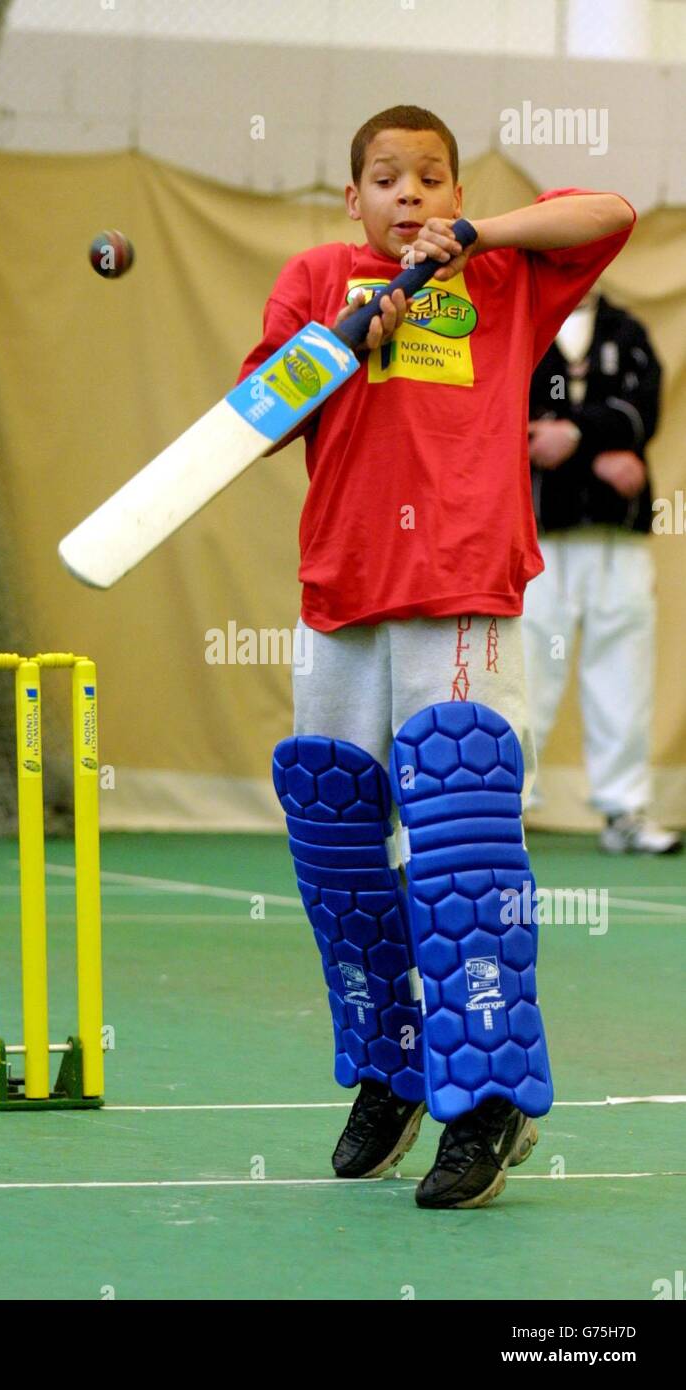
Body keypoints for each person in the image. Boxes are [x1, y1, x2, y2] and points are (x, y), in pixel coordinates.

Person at [237, 104, 634, 1209]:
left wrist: (480, 238)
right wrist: (338, 347)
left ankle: (487, 1097)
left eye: (429, 177)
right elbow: (257, 419)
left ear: (456, 194)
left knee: (459, 838)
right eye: (384, 177)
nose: (407, 193)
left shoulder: (503, 279)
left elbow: (610, 212)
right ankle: (392, 1066)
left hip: (457, 582)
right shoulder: (316, 278)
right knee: (335, 842)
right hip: (340, 590)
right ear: (350, 197)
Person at [523, 287, 681, 854]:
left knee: (624, 675)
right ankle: (505, 809)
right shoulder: (525, 322)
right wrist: (600, 447)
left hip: (617, 540)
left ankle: (624, 809)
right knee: (524, 676)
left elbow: (643, 413)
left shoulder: (626, 331)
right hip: (535, 539)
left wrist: (574, 435)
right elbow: (509, 419)